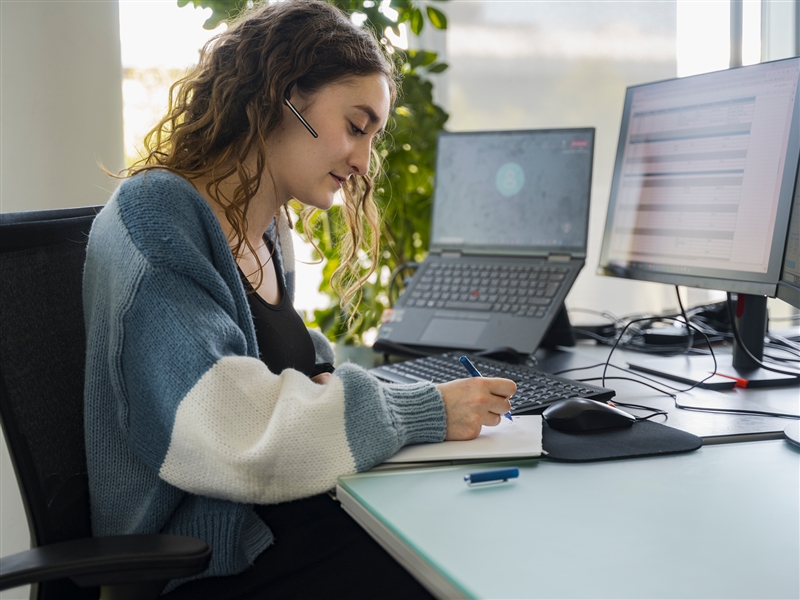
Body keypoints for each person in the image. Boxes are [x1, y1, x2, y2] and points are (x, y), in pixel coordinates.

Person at [83, 1, 516, 597]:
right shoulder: (157, 218)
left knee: (465, 527)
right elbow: (232, 430)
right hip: (204, 562)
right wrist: (425, 411)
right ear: (280, 97)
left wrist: (333, 379)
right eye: (356, 126)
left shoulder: (263, 228)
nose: (364, 161)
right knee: (451, 567)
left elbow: (290, 364)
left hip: (270, 524)